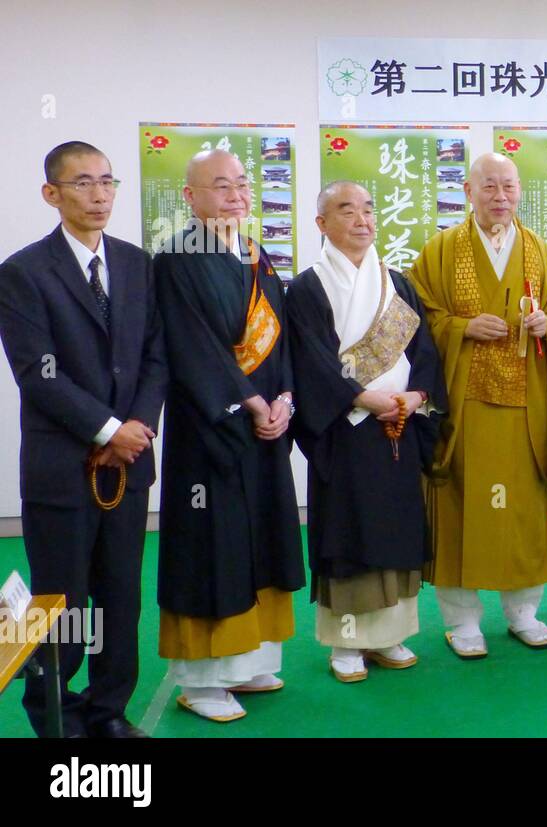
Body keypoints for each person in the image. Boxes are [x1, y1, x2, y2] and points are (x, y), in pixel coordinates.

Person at [0, 142, 166, 737]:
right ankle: (56, 716)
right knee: (62, 605)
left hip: (128, 465)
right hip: (62, 467)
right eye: (82, 184)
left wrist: (136, 430)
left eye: (107, 182)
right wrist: (106, 429)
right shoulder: (22, 273)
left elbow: (155, 356)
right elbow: (38, 372)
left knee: (121, 599)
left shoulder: (136, 264)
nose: (99, 195)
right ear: (52, 194)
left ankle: (108, 711)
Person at [153, 149, 304, 721]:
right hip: (210, 429)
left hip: (266, 429)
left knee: (263, 538)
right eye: (221, 186)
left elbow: (283, 336)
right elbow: (192, 346)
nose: (237, 195)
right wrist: (248, 400)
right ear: (190, 197)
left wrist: (285, 399)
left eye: (242, 184)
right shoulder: (174, 260)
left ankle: (252, 659)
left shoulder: (256, 254)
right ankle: (203, 678)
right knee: (211, 547)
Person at [408, 153, 547, 659]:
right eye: (489, 187)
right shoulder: (441, 250)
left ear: (520, 191)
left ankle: (524, 612)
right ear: (468, 190)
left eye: (508, 187)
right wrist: (461, 328)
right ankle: (462, 622)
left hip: (527, 403)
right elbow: (420, 317)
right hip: (466, 404)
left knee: (521, 510)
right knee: (463, 506)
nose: (499, 197)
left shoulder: (538, 249)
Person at [286, 181, 448, 682]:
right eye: (346, 210)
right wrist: (363, 398)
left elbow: (424, 353)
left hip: (398, 425)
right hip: (347, 430)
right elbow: (310, 361)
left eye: (368, 210)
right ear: (321, 224)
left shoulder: (396, 283)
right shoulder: (307, 287)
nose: (361, 220)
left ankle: (391, 636)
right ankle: (348, 643)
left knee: (397, 527)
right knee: (349, 529)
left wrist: (414, 397)